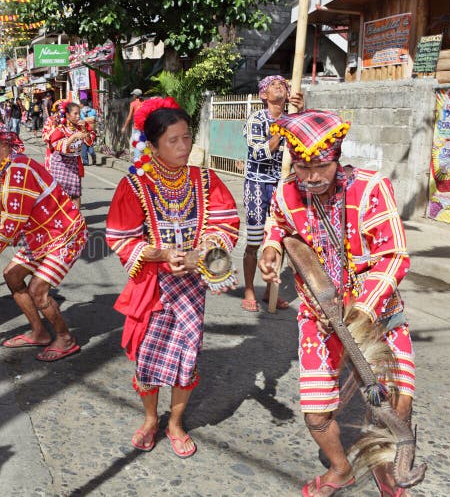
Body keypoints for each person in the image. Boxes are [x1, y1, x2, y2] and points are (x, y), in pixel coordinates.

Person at [258, 110, 416, 497]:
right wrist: (270, 247)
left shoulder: (372, 187)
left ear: (338, 156)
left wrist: (362, 309)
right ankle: (341, 468)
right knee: (316, 411)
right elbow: (277, 223)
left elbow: (395, 256)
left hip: (376, 312)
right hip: (319, 316)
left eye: (321, 167)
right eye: (302, 167)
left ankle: (386, 461)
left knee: (396, 405)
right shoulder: (286, 191)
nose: (310, 177)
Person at [105, 97, 240, 457]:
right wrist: (163, 254)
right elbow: (120, 237)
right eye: (173, 141)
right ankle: (150, 418)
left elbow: (225, 222)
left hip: (192, 287)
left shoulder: (206, 179)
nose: (183, 147)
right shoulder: (135, 184)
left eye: (187, 138)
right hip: (154, 285)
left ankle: (175, 423)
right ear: (153, 145)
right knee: (148, 358)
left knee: (186, 357)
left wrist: (205, 251)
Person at [0, 122, 86, 362]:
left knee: (38, 290)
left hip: (65, 234)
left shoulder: (19, 170)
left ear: (4, 144)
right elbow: (6, 216)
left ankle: (65, 338)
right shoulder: (10, 169)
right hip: (42, 235)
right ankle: (39, 332)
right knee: (12, 276)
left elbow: (11, 225)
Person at [241, 75, 304, 312]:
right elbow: (258, 153)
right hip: (258, 184)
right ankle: (249, 290)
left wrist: (301, 112)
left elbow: (307, 144)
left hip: (283, 185)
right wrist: (282, 129)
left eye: (283, 85)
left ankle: (270, 290)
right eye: (273, 86)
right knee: (255, 241)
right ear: (264, 95)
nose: (280, 87)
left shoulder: (293, 118)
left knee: (279, 240)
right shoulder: (256, 119)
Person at [46, 101, 94, 208]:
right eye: (75, 114)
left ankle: (76, 220)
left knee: (76, 194)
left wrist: (85, 130)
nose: (78, 116)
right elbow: (57, 146)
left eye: (79, 113)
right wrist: (74, 137)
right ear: (67, 115)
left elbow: (89, 142)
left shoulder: (80, 127)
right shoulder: (60, 129)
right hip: (60, 163)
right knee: (60, 194)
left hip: (74, 163)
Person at [79, 99, 98, 166]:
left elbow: (94, 119)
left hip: (91, 132)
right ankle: (85, 162)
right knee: (83, 149)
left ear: (82, 104)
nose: (79, 105)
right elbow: (91, 119)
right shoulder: (80, 112)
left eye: (80, 104)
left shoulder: (92, 111)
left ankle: (94, 158)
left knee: (91, 150)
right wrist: (89, 119)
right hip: (83, 131)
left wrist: (85, 120)